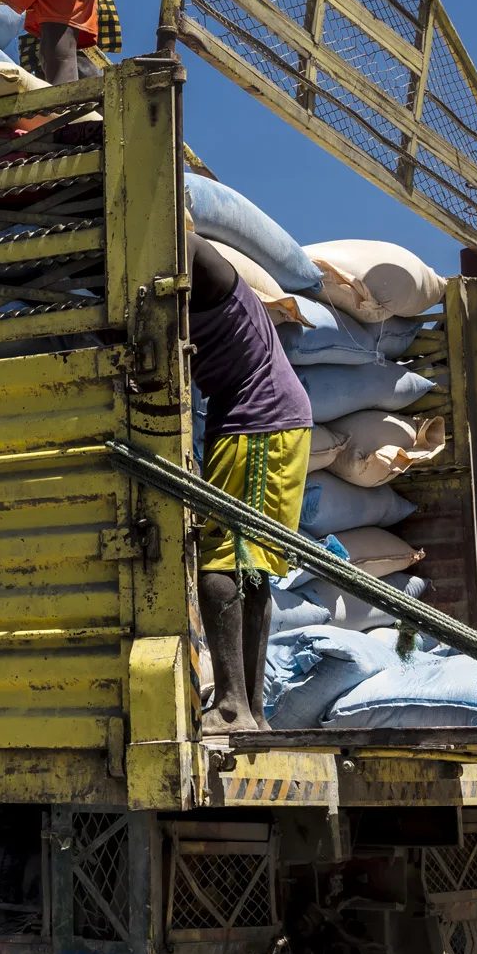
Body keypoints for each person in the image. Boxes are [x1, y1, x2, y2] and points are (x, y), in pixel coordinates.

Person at [182, 225, 315, 730]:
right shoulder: (211, 280)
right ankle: (251, 711)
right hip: (267, 420)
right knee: (249, 567)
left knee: (224, 562)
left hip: (260, 422)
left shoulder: (204, 265)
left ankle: (234, 706)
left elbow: (178, 245)